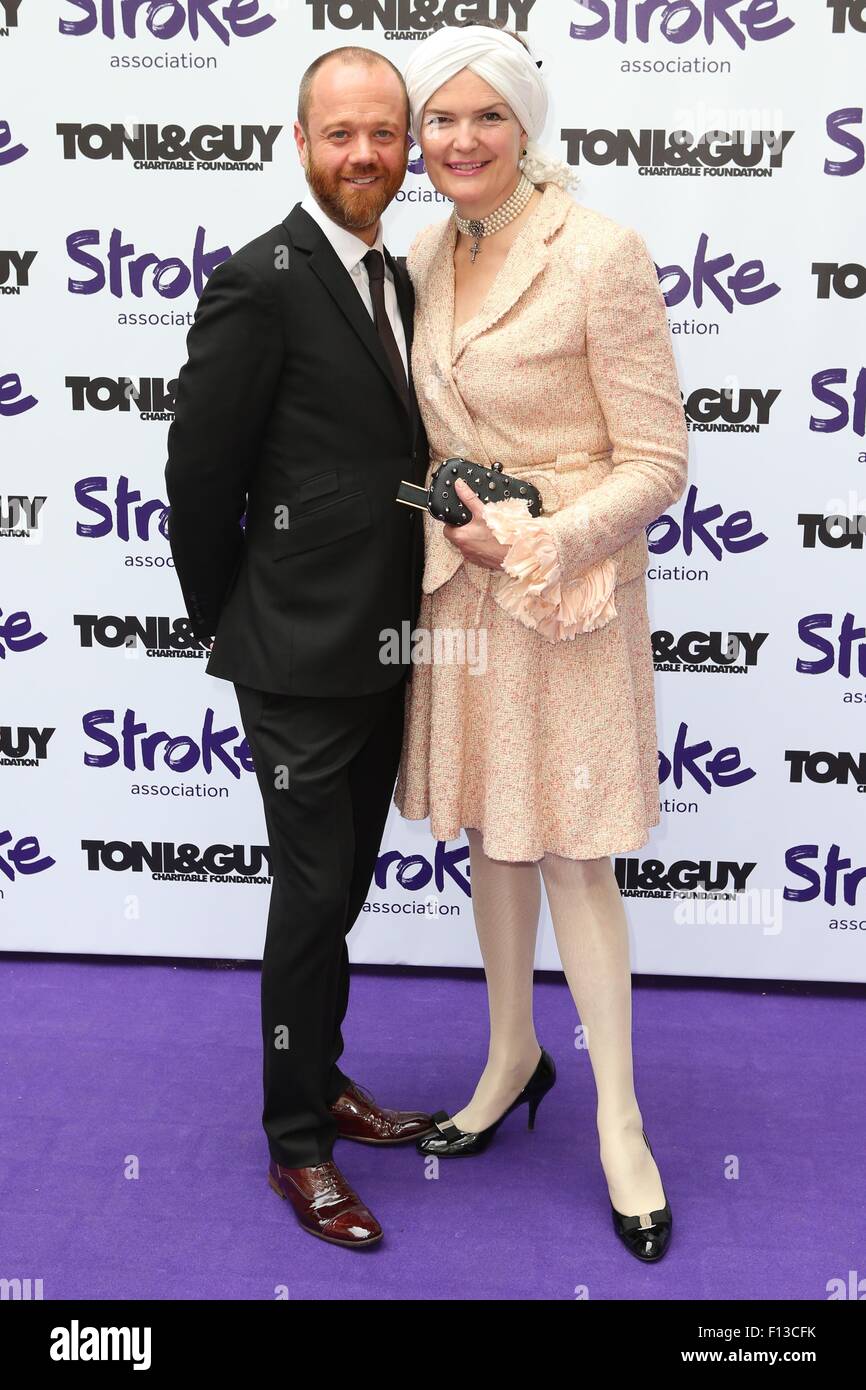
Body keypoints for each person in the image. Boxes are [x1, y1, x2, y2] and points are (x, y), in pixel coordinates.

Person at [394, 21, 689, 1262]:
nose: (458, 142)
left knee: (571, 854)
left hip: (563, 606)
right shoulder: (423, 249)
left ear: (525, 129)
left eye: (485, 119)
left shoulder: (600, 252)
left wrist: (537, 537)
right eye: (439, 121)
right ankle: (510, 1056)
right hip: (461, 604)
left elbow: (657, 463)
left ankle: (620, 1121)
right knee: (488, 832)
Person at [164, 47, 435, 1250]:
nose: (365, 155)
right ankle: (296, 1147)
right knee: (309, 897)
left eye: (385, 134)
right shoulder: (260, 280)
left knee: (340, 893)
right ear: (300, 140)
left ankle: (321, 1080)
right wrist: (231, 622)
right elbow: (197, 476)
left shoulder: (399, 275)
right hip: (292, 659)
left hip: (384, 647)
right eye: (342, 135)